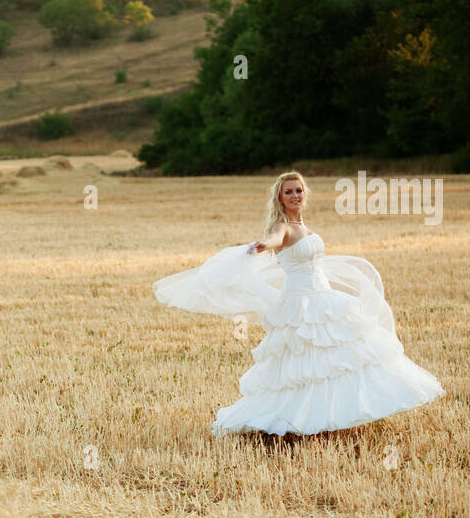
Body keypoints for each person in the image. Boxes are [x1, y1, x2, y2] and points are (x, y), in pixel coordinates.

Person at [152, 171, 444, 436]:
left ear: (305, 194)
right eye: (289, 191)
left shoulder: (302, 223)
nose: (295, 195)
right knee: (304, 366)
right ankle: (300, 419)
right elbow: (276, 240)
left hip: (324, 297)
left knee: (337, 359)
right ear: (280, 198)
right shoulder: (282, 226)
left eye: (298, 190)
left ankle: (336, 414)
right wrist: (266, 245)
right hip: (301, 302)